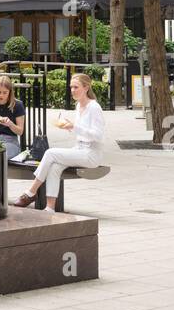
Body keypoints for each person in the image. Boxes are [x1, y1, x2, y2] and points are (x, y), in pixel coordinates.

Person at [12, 71, 105, 210]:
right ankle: (50, 208)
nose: (72, 90)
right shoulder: (79, 106)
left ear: (86, 88)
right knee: (54, 167)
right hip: (79, 149)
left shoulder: (94, 107)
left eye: (76, 87)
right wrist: (70, 127)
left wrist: (75, 126)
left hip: (91, 154)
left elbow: (98, 136)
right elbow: (81, 131)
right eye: (71, 87)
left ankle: (31, 192)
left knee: (50, 153)